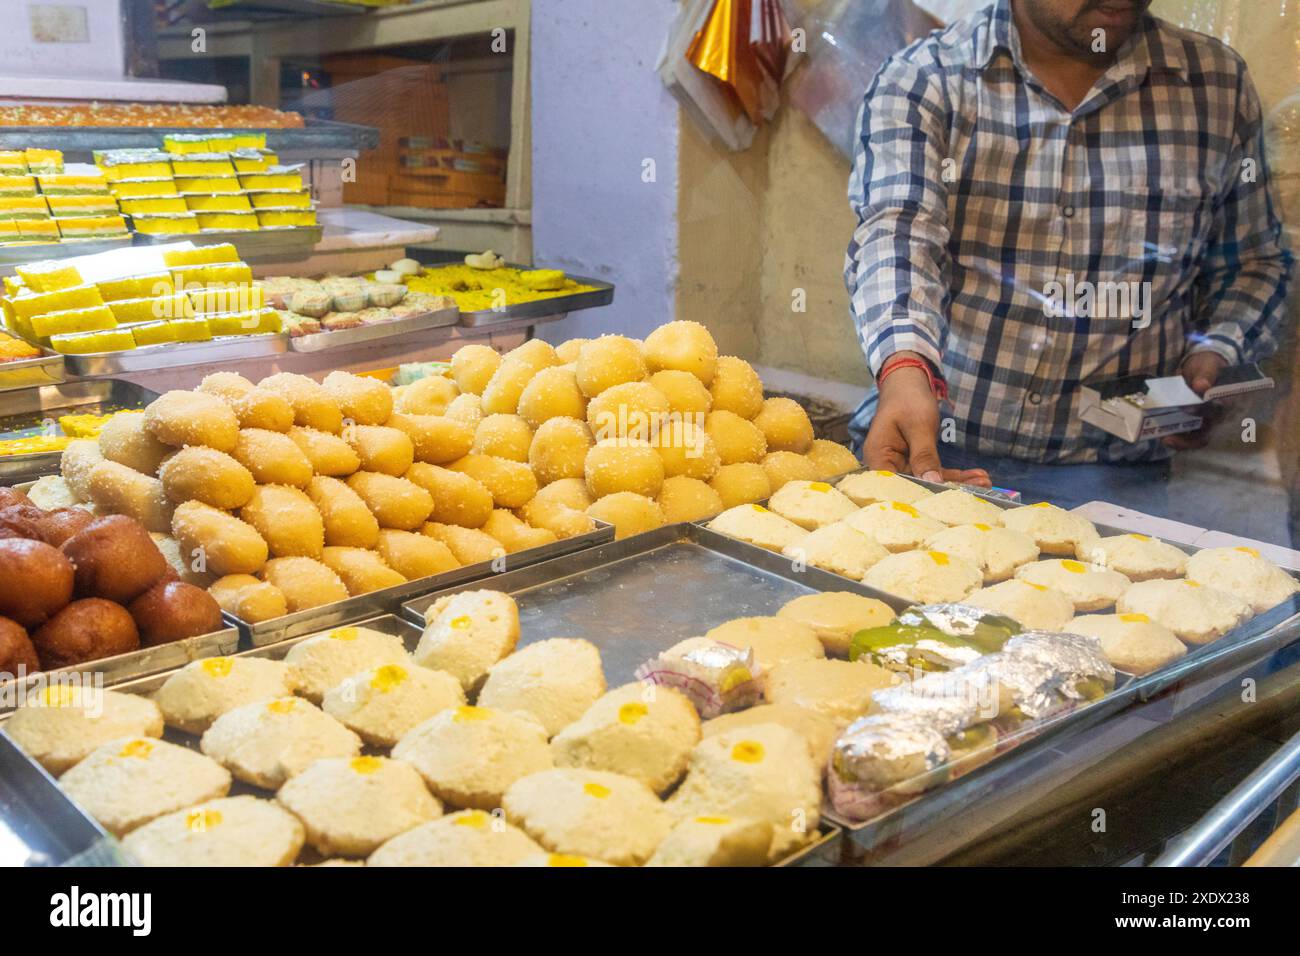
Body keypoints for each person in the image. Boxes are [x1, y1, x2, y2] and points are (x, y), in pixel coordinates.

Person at [845, 0, 1294, 520]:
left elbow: (1254, 261)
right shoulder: (926, 79)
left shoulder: (1213, 85)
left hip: (1117, 482)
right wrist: (905, 369)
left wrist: (1217, 350)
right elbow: (899, 234)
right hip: (940, 458)